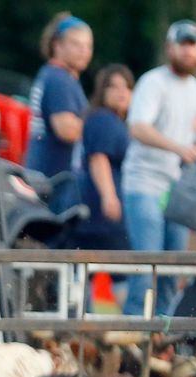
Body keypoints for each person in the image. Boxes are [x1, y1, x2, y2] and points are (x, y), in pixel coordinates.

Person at [120, 19, 196, 317]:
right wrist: (179, 148)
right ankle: (132, 331)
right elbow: (138, 128)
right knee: (147, 265)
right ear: (169, 48)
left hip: (179, 191)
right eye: (182, 44)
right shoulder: (153, 82)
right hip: (144, 183)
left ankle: (164, 333)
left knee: (172, 270)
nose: (187, 51)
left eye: (193, 45)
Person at [24, 12, 92, 213]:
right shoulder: (60, 80)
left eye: (88, 46)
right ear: (57, 45)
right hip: (53, 180)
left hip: (43, 176)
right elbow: (66, 130)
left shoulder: (53, 74)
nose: (84, 51)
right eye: (76, 44)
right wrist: (99, 126)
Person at [74, 64, 135, 252]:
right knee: (117, 263)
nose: (121, 92)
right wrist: (109, 196)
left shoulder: (117, 122)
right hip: (102, 210)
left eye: (126, 87)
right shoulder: (103, 119)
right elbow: (98, 158)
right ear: (102, 91)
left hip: (103, 208)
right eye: (113, 86)